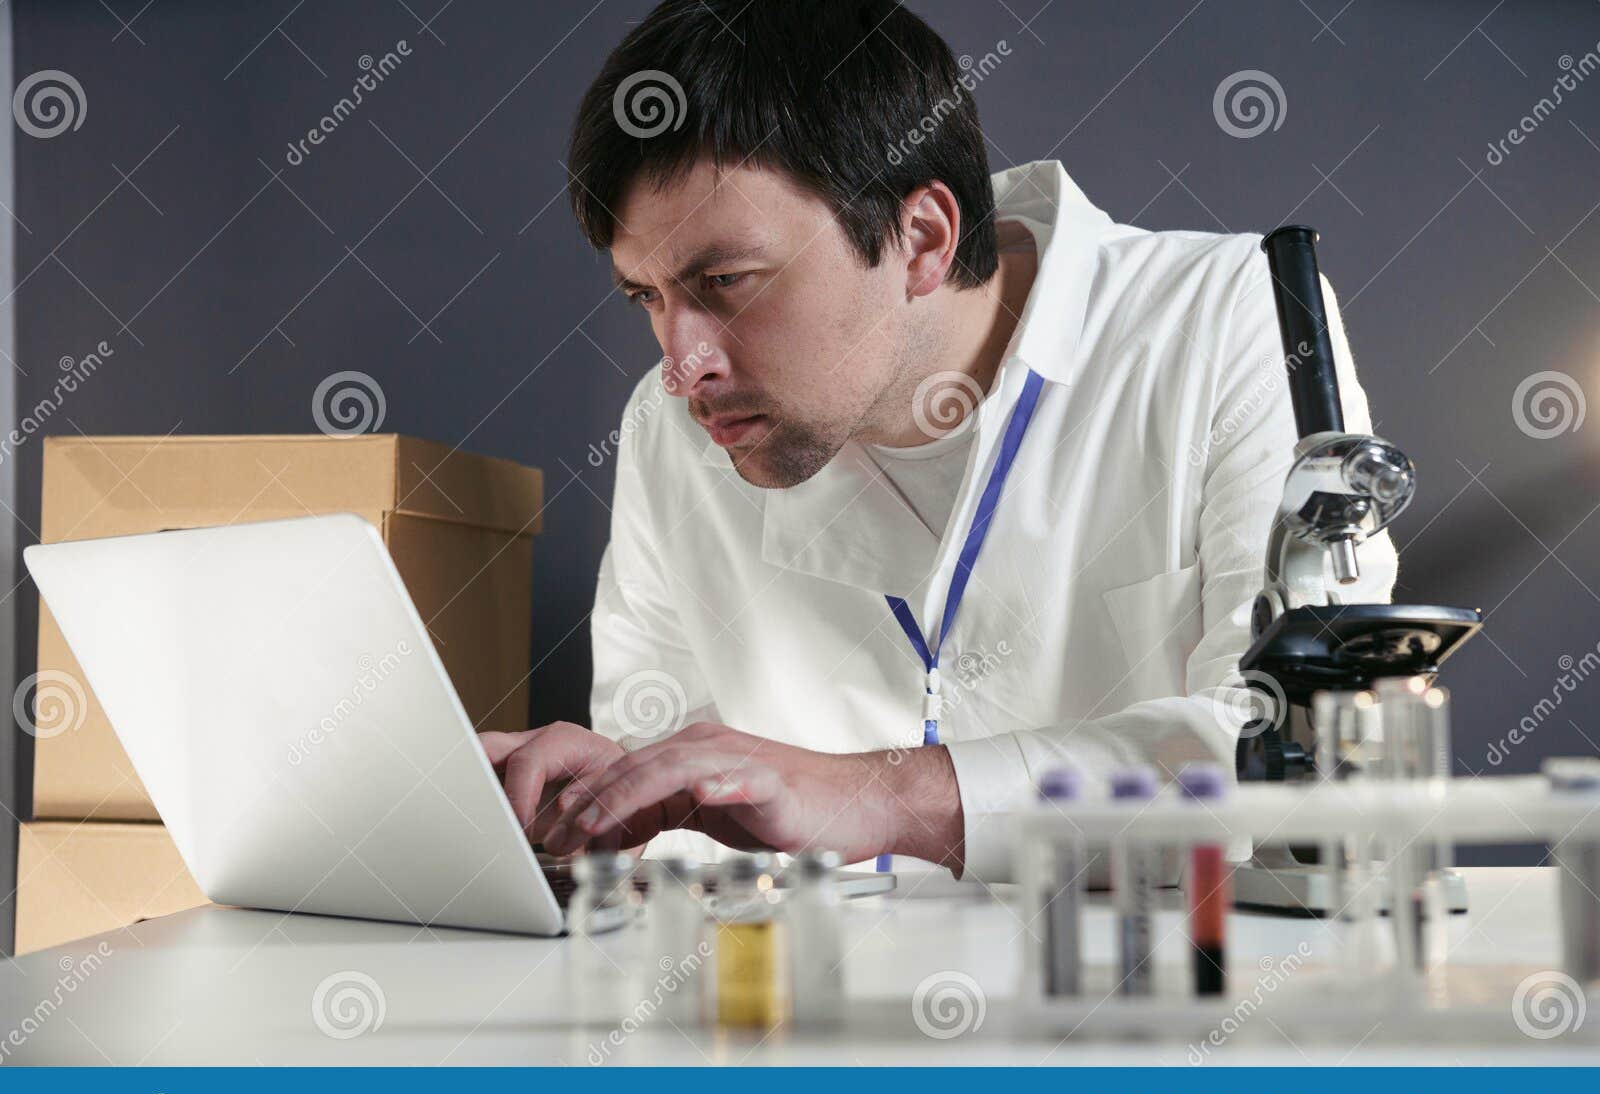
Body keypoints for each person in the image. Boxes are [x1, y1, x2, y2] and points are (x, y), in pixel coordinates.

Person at [479, 0, 1396, 882]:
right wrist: (609, 802)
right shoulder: (665, 426)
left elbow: (1306, 747)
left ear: (921, 236)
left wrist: (881, 796)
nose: (683, 364)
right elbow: (677, 801)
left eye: (725, 280)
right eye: (647, 297)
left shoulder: (1232, 314)